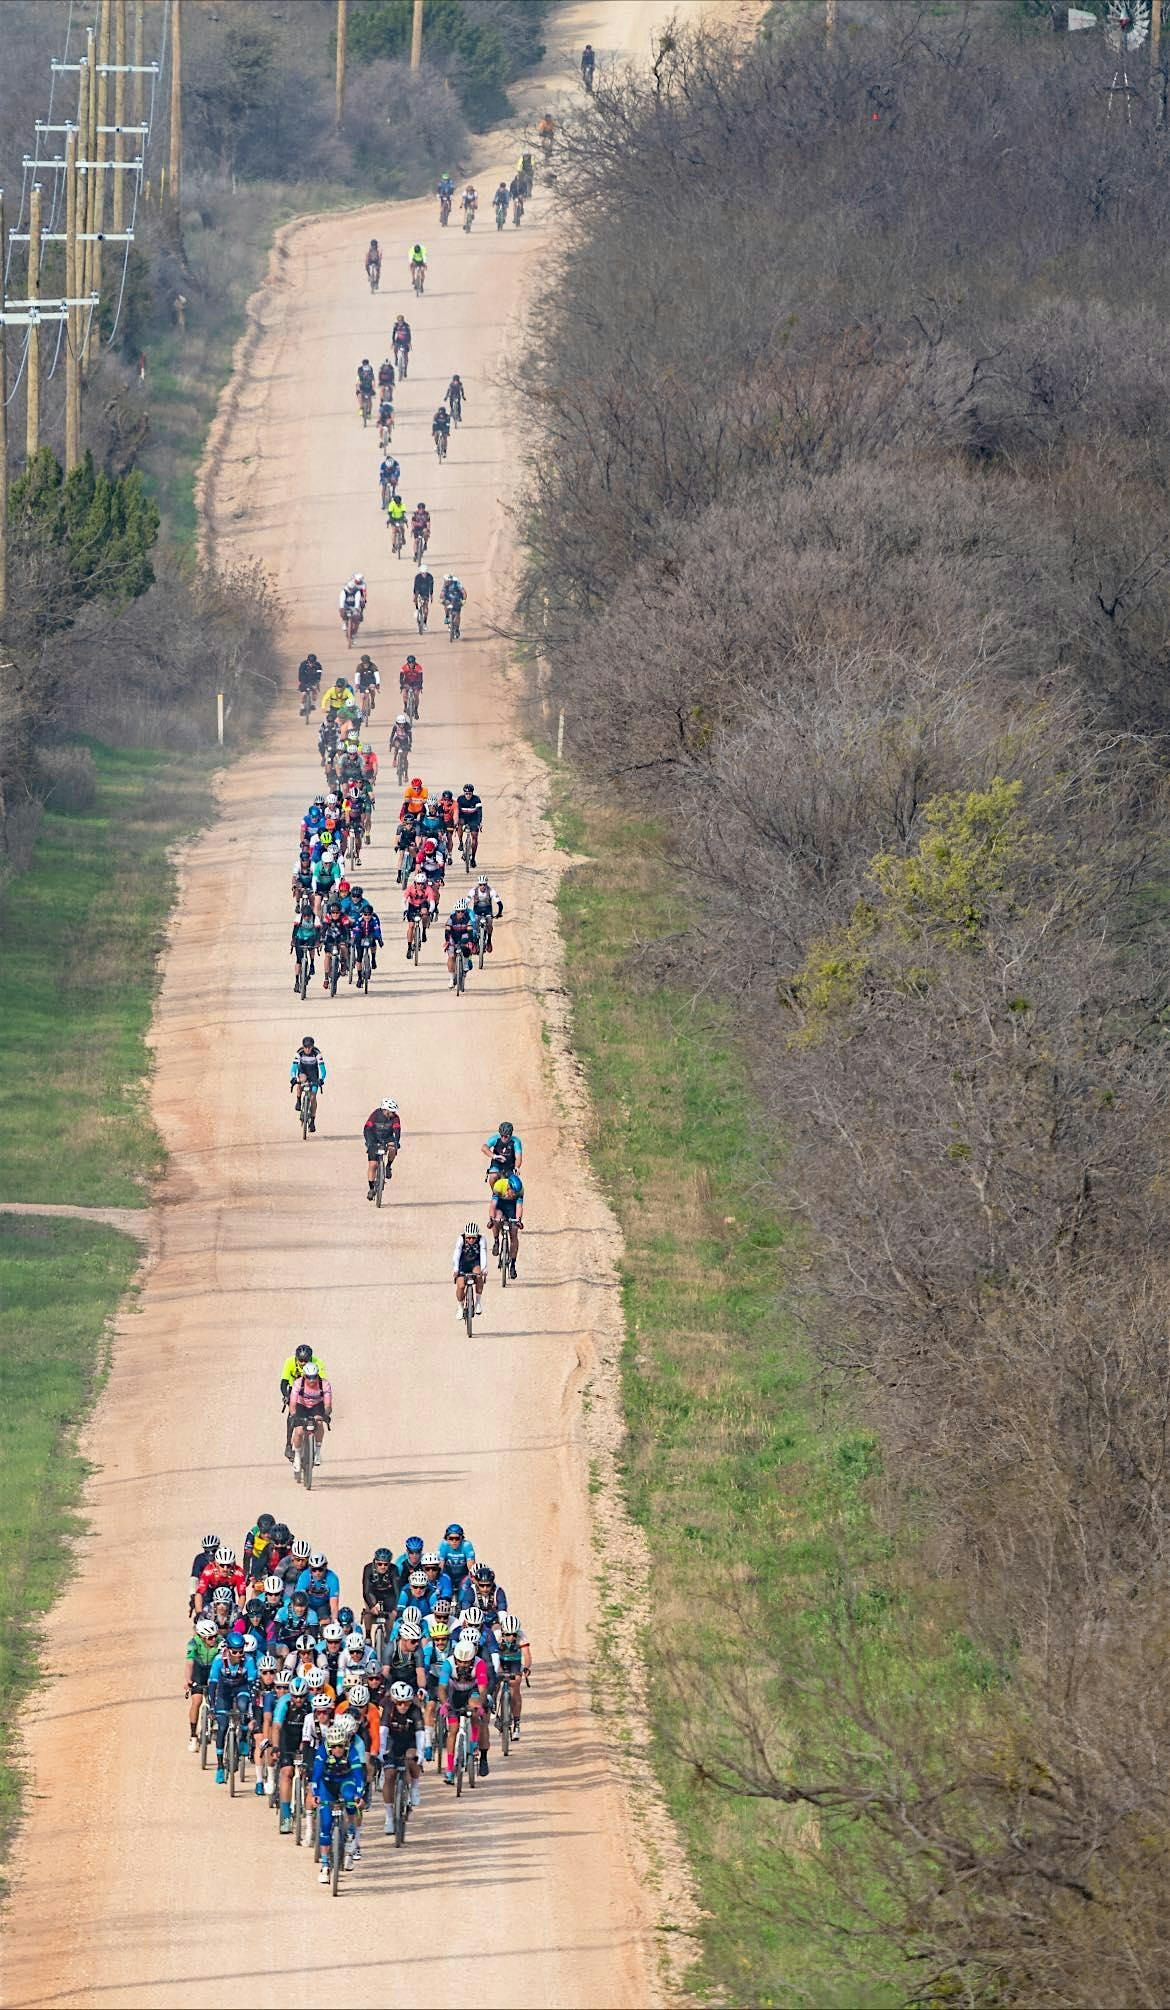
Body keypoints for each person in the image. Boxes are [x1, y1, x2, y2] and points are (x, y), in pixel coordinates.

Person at [313, 1716, 366, 1881]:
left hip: (345, 1781)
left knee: (351, 1798)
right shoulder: (322, 1750)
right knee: (326, 1824)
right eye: (334, 1746)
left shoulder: (352, 1751)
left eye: (340, 1746)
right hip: (327, 1785)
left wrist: (359, 1794)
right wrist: (314, 1794)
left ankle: (350, 1837)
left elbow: (359, 1775)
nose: (337, 1750)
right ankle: (324, 1865)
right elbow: (315, 1775)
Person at [438, 1633, 491, 1780]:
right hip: (455, 1693)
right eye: (459, 1662)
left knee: (474, 1708)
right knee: (452, 1730)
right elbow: (442, 1687)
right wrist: (444, 1704)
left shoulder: (480, 1664)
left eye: (466, 1662)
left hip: (472, 1692)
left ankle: (474, 1744)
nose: (462, 1665)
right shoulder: (448, 1664)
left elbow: (482, 1688)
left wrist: (480, 1704)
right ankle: (449, 1768)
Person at [208, 1632, 256, 1784]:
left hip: (240, 1687)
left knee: (243, 1705)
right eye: (234, 1652)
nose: (238, 1655)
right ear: (228, 1650)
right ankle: (220, 1766)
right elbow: (213, 1684)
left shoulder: (248, 1660)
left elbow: (252, 1684)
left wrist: (251, 1706)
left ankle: (242, 1737)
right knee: (222, 1726)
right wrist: (211, 1707)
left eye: (241, 1651)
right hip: (224, 1691)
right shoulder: (218, 1661)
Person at [381, 1681, 424, 1825]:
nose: (403, 1706)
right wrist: (381, 1752)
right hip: (393, 1743)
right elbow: (383, 1732)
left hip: (410, 1742)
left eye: (406, 1703)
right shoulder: (389, 1709)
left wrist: (421, 1753)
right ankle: (389, 1816)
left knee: (413, 1758)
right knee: (389, 1775)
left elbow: (420, 1734)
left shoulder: (415, 1710)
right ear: (394, 1700)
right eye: (399, 1703)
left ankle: (415, 1787)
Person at [288, 1363, 332, 1480]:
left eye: (314, 1377)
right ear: (304, 1376)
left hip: (317, 1406)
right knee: (299, 1431)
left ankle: (317, 1452)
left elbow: (327, 1405)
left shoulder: (325, 1384)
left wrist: (325, 1415)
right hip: (301, 1406)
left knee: (319, 1423)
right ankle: (297, 1456)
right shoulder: (298, 1383)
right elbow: (292, 1403)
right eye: (309, 1377)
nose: (312, 1380)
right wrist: (293, 1415)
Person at [185, 1616, 219, 1750]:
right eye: (210, 1638)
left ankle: (215, 1721)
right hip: (199, 1670)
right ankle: (193, 1736)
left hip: (213, 1669)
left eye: (215, 1636)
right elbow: (189, 1663)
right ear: (202, 1638)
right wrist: (188, 1679)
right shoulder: (193, 1643)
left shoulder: (220, 1642)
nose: (214, 1640)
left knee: (216, 1695)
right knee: (197, 1701)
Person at [363, 1097, 401, 1200]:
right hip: (374, 1138)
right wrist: (369, 1142)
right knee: (373, 1164)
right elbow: (367, 1128)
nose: (393, 1113)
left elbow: (397, 1130)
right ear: (385, 1110)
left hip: (387, 1137)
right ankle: (371, 1189)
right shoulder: (375, 1115)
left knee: (393, 1148)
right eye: (391, 1111)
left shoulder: (395, 1118)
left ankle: (388, 1166)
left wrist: (396, 1142)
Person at [490, 1169, 524, 1278]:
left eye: (515, 1193)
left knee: (514, 1233)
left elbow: (519, 1207)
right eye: (512, 1192)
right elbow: (493, 1205)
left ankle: (513, 1265)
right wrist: (491, 1219)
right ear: (508, 1187)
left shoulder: (520, 1191)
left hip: (512, 1208)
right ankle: (496, 1241)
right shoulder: (499, 1186)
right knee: (497, 1218)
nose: (513, 1194)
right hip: (500, 1205)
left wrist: (518, 1220)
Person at [452, 1222, 487, 1321]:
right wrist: (456, 1269)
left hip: (475, 1263)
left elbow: (483, 1253)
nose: (471, 1240)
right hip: (463, 1264)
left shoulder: (482, 1239)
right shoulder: (461, 1239)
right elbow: (457, 1253)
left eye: (473, 1238)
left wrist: (484, 1269)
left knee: (479, 1275)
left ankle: (478, 1302)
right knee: (461, 1285)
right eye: (468, 1238)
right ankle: (460, 1306)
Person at [289, 1036, 325, 1126]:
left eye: (309, 1047)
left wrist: (321, 1079)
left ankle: (312, 1120)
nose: (307, 1049)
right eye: (305, 1047)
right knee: (301, 1080)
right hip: (303, 1071)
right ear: (303, 1046)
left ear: (312, 1047)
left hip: (313, 1074)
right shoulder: (299, 1052)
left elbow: (323, 1070)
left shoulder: (317, 1053)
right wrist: (293, 1077)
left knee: (313, 1098)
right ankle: (298, 1100)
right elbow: (293, 1067)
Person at [444, 902, 478, 988]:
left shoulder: (467, 919)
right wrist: (447, 941)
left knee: (466, 944)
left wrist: (470, 942)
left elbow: (470, 931)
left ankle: (465, 963)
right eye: (458, 911)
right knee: (451, 956)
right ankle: (451, 979)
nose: (460, 913)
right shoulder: (451, 919)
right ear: (455, 911)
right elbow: (447, 931)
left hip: (463, 936)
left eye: (462, 911)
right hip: (453, 937)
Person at [403, 869, 435, 957]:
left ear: (425, 883)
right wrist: (405, 910)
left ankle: (424, 930)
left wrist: (431, 912)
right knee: (411, 926)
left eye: (422, 883)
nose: (420, 885)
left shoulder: (428, 889)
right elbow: (404, 900)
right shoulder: (410, 888)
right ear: (415, 883)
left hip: (422, 904)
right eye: (418, 883)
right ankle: (409, 946)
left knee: (425, 913)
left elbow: (432, 903)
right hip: (412, 905)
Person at [470, 874, 502, 953]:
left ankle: (489, 941)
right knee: (474, 925)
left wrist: (499, 913)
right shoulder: (474, 890)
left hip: (488, 910)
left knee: (490, 923)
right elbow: (466, 901)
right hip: (477, 910)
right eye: (480, 885)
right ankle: (475, 942)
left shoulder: (491, 891)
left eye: (484, 885)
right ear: (478, 884)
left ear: (486, 884)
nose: (482, 887)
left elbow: (499, 903)